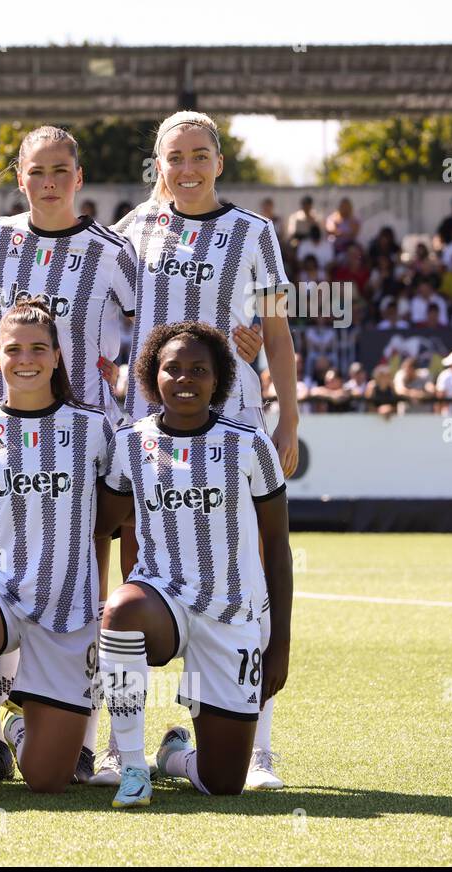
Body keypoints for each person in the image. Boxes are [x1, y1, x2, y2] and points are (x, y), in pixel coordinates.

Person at [107, 111, 299, 791]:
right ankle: (120, 745)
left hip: (236, 427)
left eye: (198, 155)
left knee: (242, 577)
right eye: (173, 157)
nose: (186, 169)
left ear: (218, 161)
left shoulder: (254, 233)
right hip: (149, 437)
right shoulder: (134, 229)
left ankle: (259, 750)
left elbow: (274, 331)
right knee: (141, 578)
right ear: (157, 164)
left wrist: (288, 419)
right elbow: (94, 302)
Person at [95, 320, 292, 806]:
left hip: (232, 616)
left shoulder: (250, 446)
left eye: (198, 370)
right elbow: (103, 521)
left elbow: (279, 547)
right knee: (120, 611)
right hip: (164, 601)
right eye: (172, 369)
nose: (185, 379)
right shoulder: (130, 443)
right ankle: (133, 766)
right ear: (151, 376)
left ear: (218, 379)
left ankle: (172, 757)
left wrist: (279, 642)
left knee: (223, 783)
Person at [0, 299, 115, 799]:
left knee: (47, 781)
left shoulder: (94, 428)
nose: (25, 358)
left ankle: (20, 726)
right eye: (13, 349)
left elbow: (117, 515)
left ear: (56, 356)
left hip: (67, 612)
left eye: (38, 348)